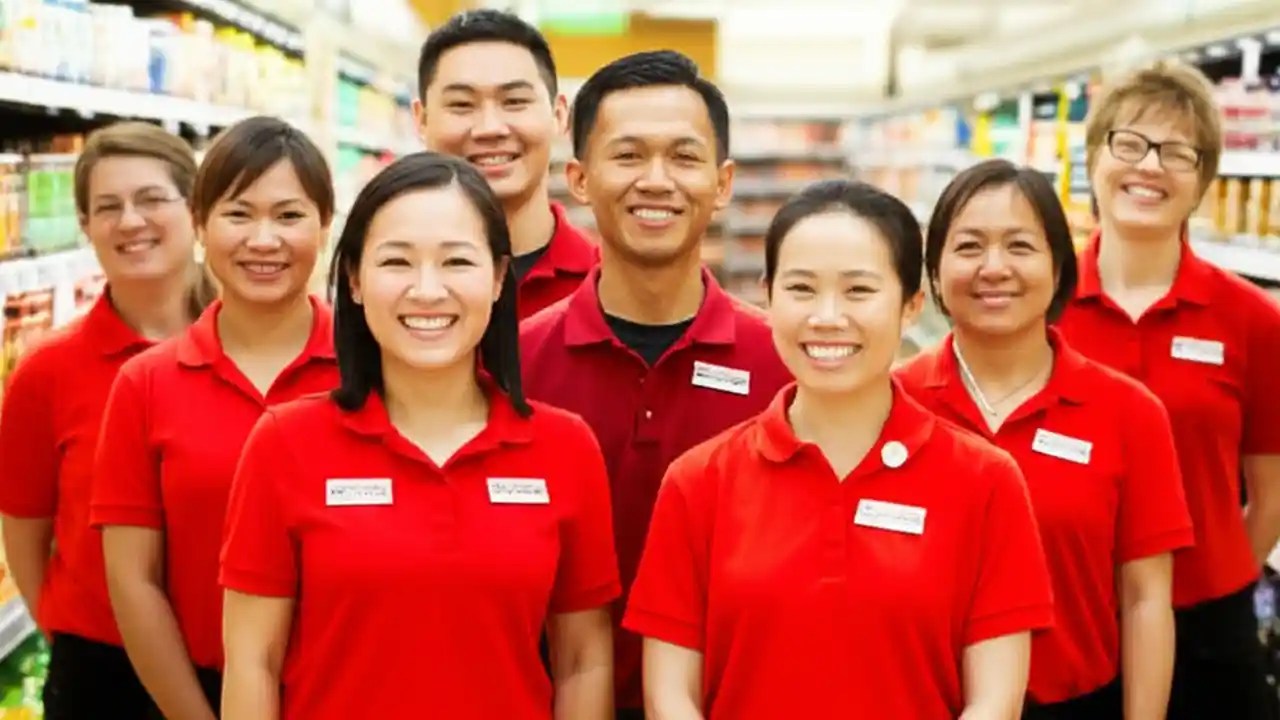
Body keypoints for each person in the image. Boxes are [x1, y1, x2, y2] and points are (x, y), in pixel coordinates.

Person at [623, 179, 1055, 719]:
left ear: (911, 305)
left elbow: (994, 700)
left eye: (858, 291)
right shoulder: (698, 480)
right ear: (768, 296)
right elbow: (670, 696)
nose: (827, 316)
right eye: (802, 289)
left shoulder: (985, 480)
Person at [218, 151, 618, 719]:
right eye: (397, 262)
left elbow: (584, 659)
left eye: (457, 262)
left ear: (500, 277)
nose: (427, 291)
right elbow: (253, 659)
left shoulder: (565, 449)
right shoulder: (284, 443)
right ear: (354, 278)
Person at [519, 50, 792, 718]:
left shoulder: (785, 365)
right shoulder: (514, 364)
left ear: (723, 182)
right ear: (579, 178)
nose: (657, 180)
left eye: (684, 156)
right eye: (628, 155)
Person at [896, 159, 1193, 719]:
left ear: (1060, 267)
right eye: (967, 247)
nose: (994, 267)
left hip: (1076, 704)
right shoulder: (889, 404)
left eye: (1020, 246)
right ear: (932, 272)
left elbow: (1145, 597)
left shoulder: (1129, 414)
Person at [89, 116, 339, 720]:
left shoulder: (376, 371)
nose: (263, 239)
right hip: (194, 691)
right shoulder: (145, 383)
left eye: (289, 215)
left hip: (348, 690)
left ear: (326, 226)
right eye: (237, 214)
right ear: (200, 227)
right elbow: (133, 580)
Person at [1056, 59, 1280, 720]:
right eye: (1129, 143)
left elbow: (1269, 494)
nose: (1149, 167)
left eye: (1177, 152)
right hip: (1071, 620)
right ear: (1094, 159)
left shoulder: (1252, 320)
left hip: (1210, 629)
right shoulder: (1043, 307)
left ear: (1203, 180)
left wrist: (1213, 578)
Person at [0, 122, 213, 719]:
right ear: (85, 227)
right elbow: (25, 535)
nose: (130, 222)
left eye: (151, 199)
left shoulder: (255, 347)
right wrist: (74, 636)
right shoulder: (46, 373)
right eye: (107, 207)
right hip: (103, 676)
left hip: (249, 663)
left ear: (197, 210)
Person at [414, 8, 597, 320]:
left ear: (559, 116)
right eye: (461, 105)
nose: (490, 127)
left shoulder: (605, 287)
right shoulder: (389, 286)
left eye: (514, 101)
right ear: (422, 120)